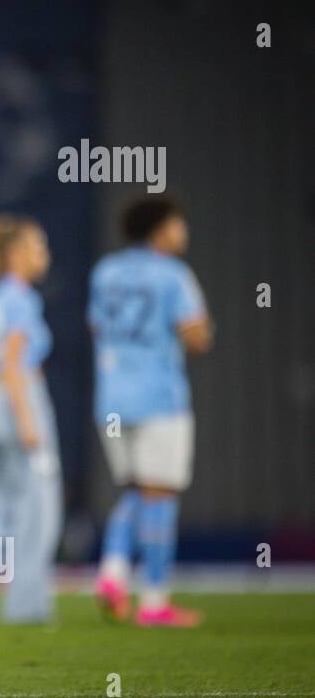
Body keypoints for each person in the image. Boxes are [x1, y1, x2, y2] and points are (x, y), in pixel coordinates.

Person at [90, 196, 212, 627]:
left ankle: (112, 573)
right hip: (159, 397)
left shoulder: (105, 272)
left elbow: (97, 325)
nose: (183, 231)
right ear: (161, 229)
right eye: (178, 223)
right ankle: (154, 601)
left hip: (113, 399)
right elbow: (197, 336)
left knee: (136, 490)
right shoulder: (174, 275)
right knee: (159, 493)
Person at [0, 215, 61, 624]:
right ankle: (27, 607)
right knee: (39, 507)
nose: (45, 256)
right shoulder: (20, 298)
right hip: (18, 398)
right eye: (39, 248)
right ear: (17, 254)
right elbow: (13, 361)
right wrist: (26, 420)